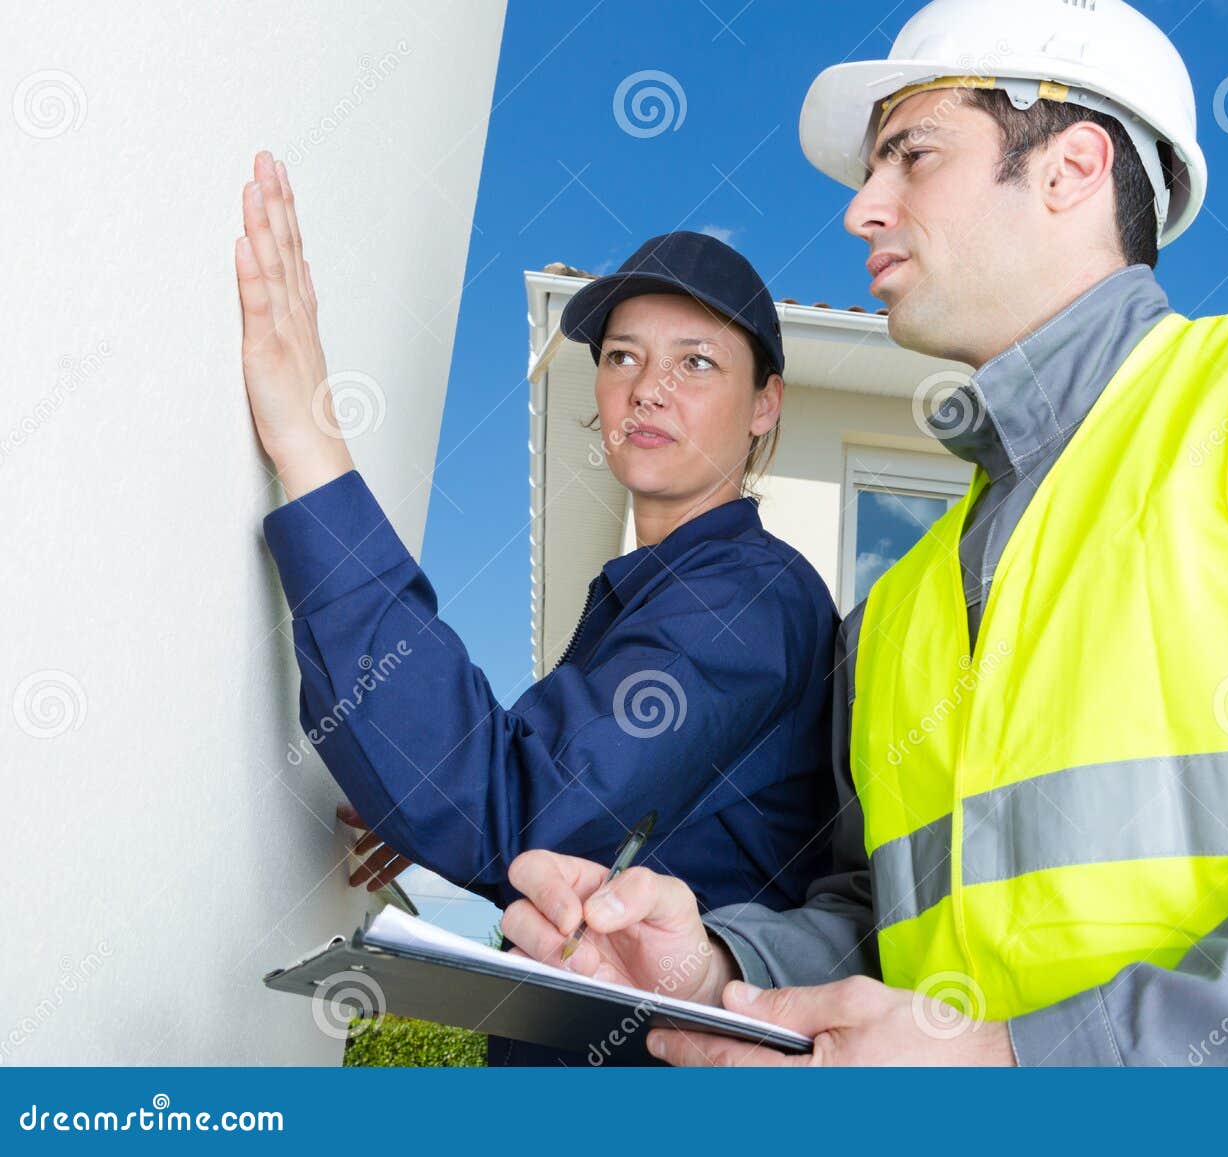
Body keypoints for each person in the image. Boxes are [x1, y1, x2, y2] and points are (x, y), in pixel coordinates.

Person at [497, 0, 1228, 1066]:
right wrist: (720, 970)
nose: (861, 209)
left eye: (910, 157)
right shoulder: (896, 608)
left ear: (1072, 168)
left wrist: (1033, 1065)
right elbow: (891, 921)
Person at [232, 159, 839, 1065]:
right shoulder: (646, 597)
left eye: (697, 361)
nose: (649, 387)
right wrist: (420, 798)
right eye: (624, 356)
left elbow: (518, 806)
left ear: (765, 405)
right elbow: (540, 800)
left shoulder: (749, 596)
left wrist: (307, 443)